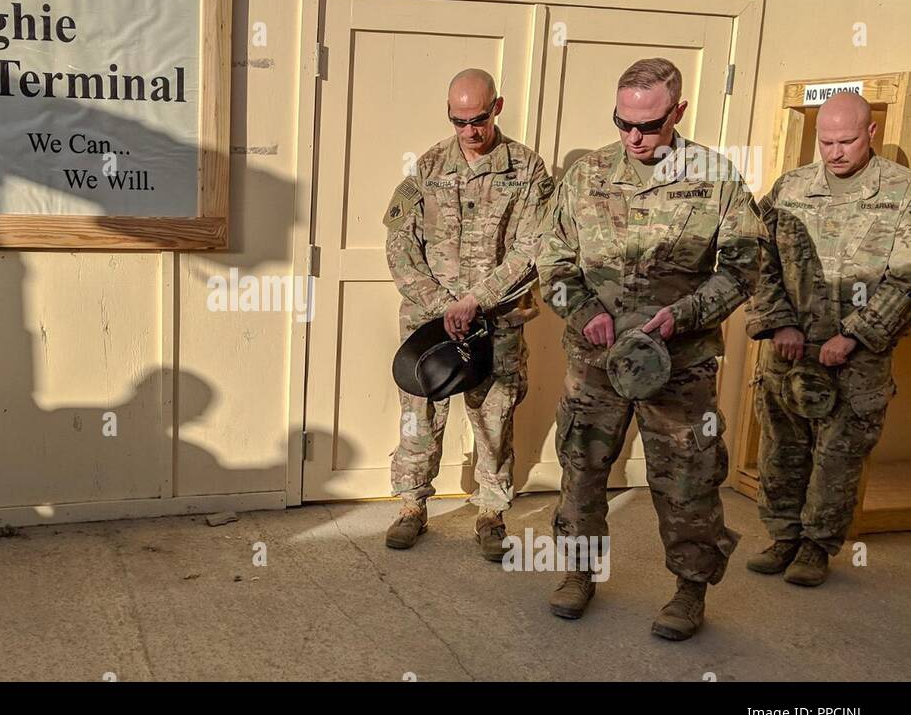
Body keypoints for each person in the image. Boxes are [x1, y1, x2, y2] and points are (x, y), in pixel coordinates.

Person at [536, 57, 761, 640]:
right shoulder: (586, 175)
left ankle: (689, 590)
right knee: (582, 467)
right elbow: (551, 260)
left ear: (678, 112)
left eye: (649, 125)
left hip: (680, 367)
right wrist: (583, 310)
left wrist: (685, 315)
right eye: (622, 122)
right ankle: (579, 572)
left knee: (688, 477)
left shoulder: (716, 178)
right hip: (596, 363)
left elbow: (744, 268)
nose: (633, 137)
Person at [383, 68, 554, 559]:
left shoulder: (527, 169)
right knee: (419, 415)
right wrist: (443, 306)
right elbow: (399, 244)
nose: (469, 130)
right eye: (458, 120)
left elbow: (532, 247)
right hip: (429, 321)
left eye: (478, 119)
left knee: (494, 419)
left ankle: (491, 512)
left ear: (497, 107)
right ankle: (411, 505)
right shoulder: (428, 166)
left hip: (495, 320)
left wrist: (476, 300)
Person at [744, 91, 911, 586]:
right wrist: (779, 322)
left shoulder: (901, 191)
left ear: (871, 133)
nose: (835, 152)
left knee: (838, 457)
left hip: (857, 359)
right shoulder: (790, 188)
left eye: (847, 141)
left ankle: (817, 547)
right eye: (826, 141)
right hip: (788, 352)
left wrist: (854, 335)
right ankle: (782, 537)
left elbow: (905, 279)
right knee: (781, 449)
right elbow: (758, 256)